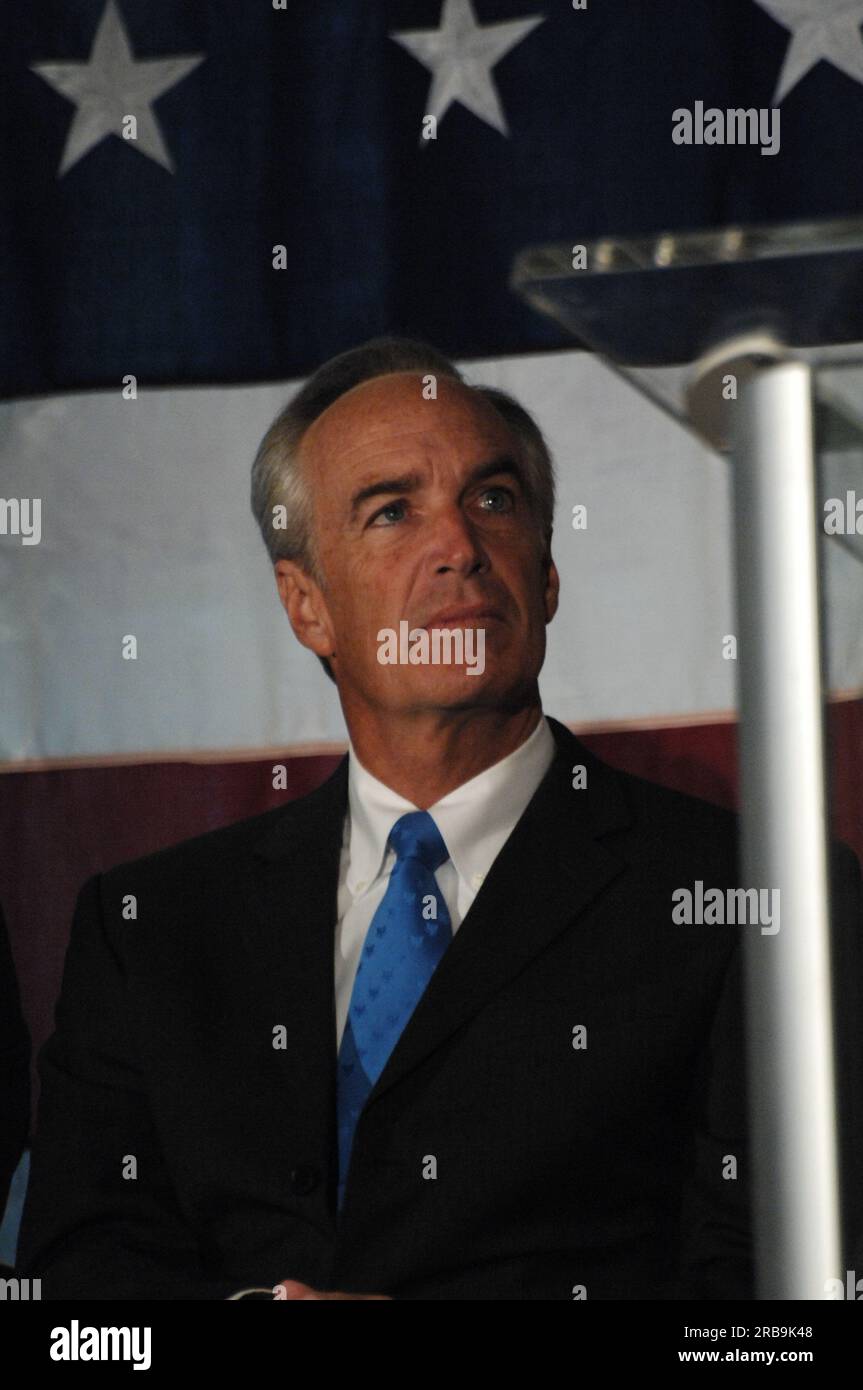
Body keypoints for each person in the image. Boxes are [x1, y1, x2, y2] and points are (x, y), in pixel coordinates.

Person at [16, 337, 862, 1300]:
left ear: (544, 575)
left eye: (493, 501)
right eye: (391, 512)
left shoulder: (750, 903)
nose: (459, 547)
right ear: (308, 607)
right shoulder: (150, 928)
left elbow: (775, 1310)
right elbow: (81, 1287)